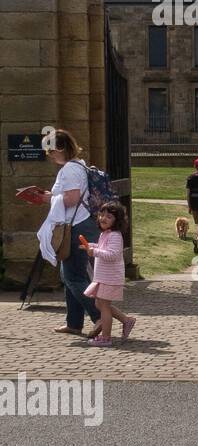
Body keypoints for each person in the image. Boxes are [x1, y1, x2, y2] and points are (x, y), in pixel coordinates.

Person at [30, 129, 101, 336]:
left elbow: (71, 199)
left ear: (60, 148)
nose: (50, 156)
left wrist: (48, 198)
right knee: (70, 275)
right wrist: (51, 195)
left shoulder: (69, 169)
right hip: (81, 223)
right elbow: (69, 196)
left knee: (73, 277)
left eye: (51, 151)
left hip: (76, 226)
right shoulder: (78, 165)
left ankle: (98, 317)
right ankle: (74, 322)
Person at [82, 201, 136, 347]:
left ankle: (106, 337)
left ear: (117, 221)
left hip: (110, 278)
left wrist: (94, 251)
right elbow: (103, 248)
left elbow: (112, 254)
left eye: (109, 217)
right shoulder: (105, 234)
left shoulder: (115, 236)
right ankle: (126, 320)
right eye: (102, 215)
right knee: (99, 304)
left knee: (104, 306)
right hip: (103, 277)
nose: (103, 218)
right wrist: (91, 246)